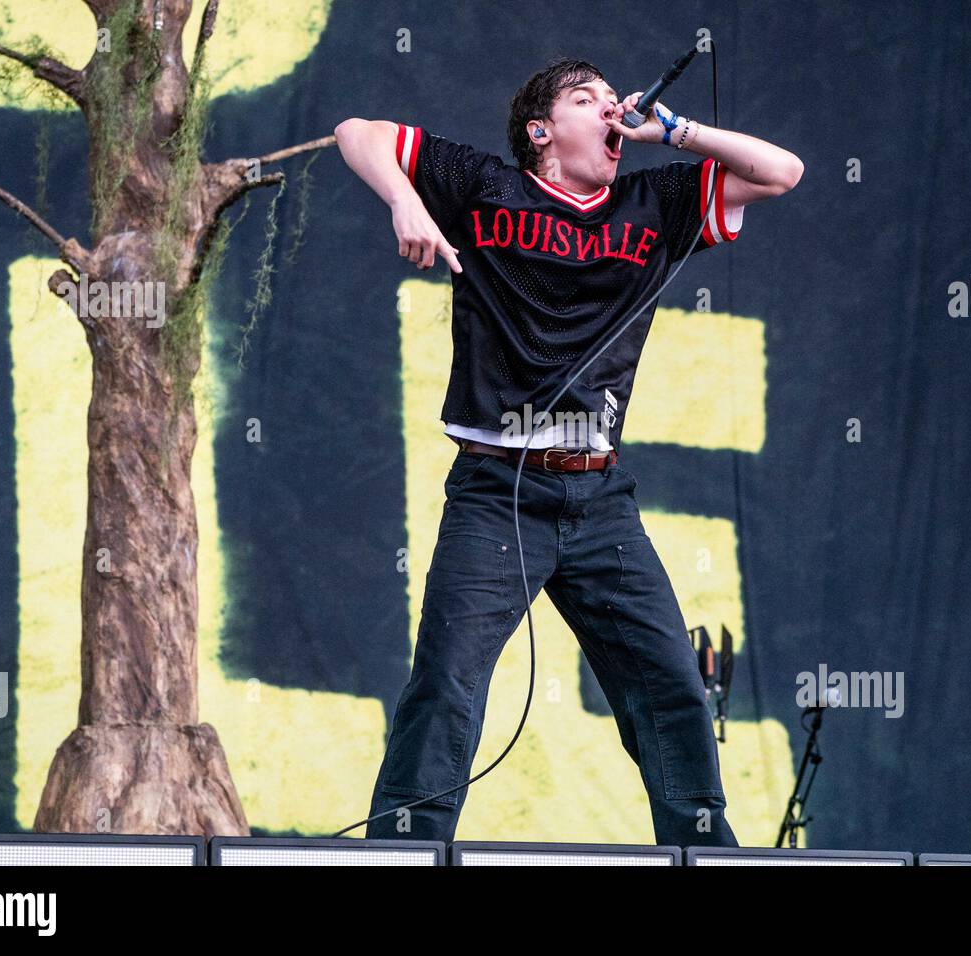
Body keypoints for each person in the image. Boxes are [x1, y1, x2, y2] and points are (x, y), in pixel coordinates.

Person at [334, 55, 803, 848]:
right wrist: (407, 204)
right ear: (540, 131)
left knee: (672, 687)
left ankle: (703, 856)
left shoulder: (654, 202)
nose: (610, 111)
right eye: (588, 100)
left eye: (615, 101)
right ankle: (405, 853)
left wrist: (674, 131)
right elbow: (356, 132)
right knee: (448, 683)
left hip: (599, 498)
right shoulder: (488, 186)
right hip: (495, 489)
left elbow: (781, 171)